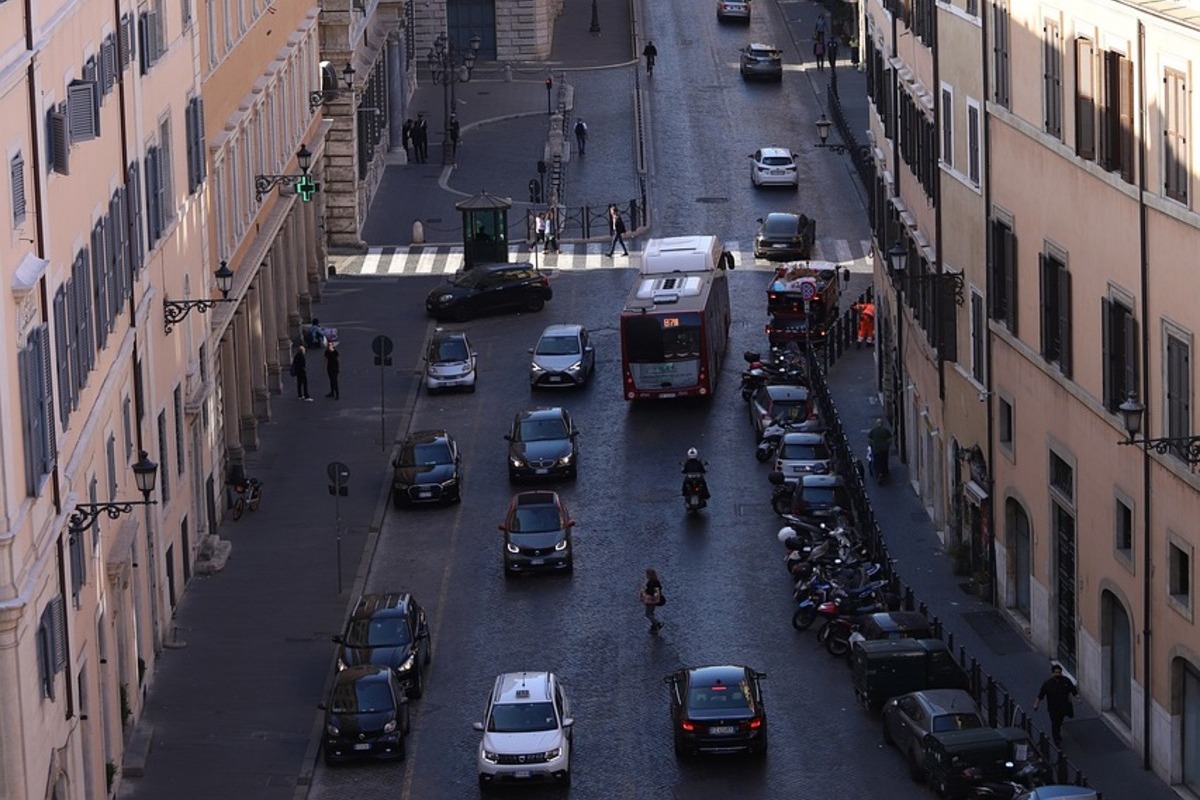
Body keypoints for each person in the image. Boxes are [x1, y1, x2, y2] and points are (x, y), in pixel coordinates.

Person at [1034, 663, 1078, 746]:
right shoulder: (1047, 684)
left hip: (1063, 707)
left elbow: (1072, 689)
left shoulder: (1066, 681)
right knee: (1055, 722)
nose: (1057, 674)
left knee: (1059, 721)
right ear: (1052, 673)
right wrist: (1036, 704)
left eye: (1059, 673)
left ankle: (1057, 732)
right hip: (1053, 708)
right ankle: (1056, 738)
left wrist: (1077, 697)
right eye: (1056, 673)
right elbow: (1041, 695)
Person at [639, 568, 664, 633]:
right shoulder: (656, 581)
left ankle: (657, 623)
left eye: (647, 574)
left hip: (650, 600)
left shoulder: (651, 582)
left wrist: (644, 591)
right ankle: (654, 627)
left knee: (648, 614)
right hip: (655, 600)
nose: (646, 576)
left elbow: (650, 591)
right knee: (651, 613)